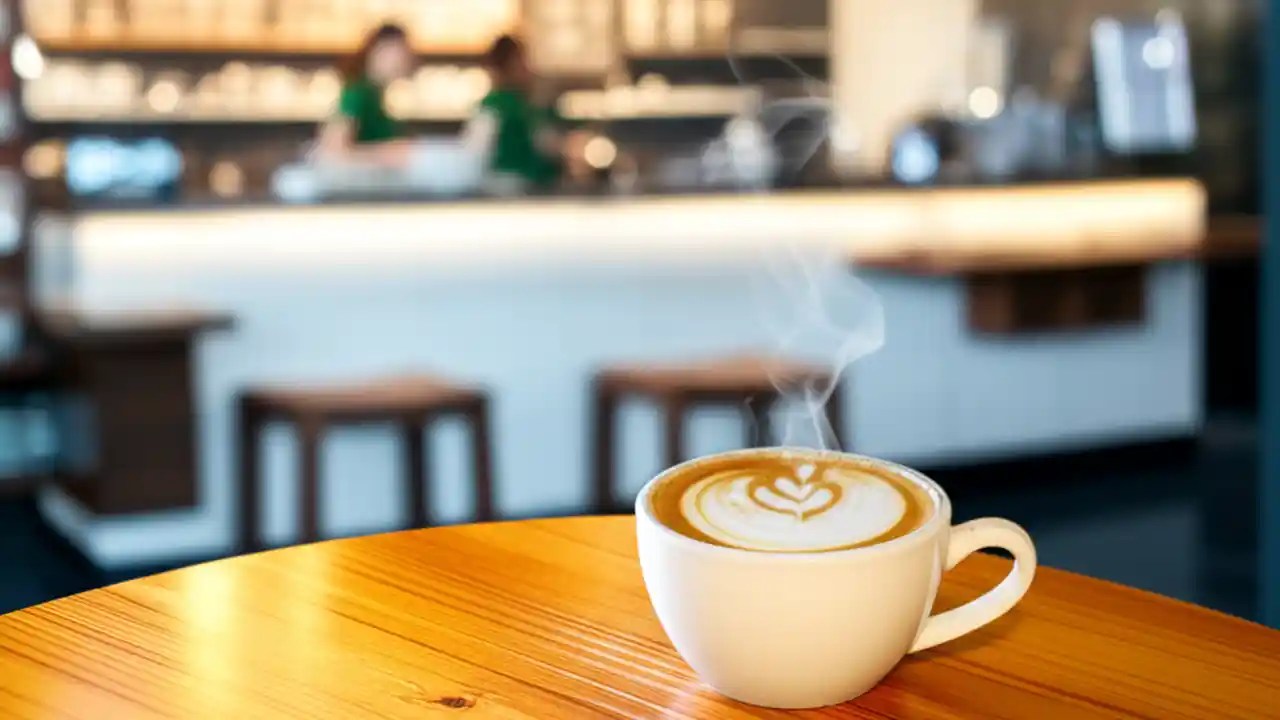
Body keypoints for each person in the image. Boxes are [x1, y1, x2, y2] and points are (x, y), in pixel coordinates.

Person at [464, 35, 570, 189]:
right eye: (521, 61)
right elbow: (475, 155)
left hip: (532, 188)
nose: (527, 68)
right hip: (507, 187)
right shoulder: (494, 106)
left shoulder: (530, 104)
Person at [317, 23, 415, 167]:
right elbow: (334, 151)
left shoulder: (375, 95)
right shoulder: (358, 94)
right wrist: (387, 154)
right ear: (377, 51)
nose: (405, 60)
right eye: (399, 53)